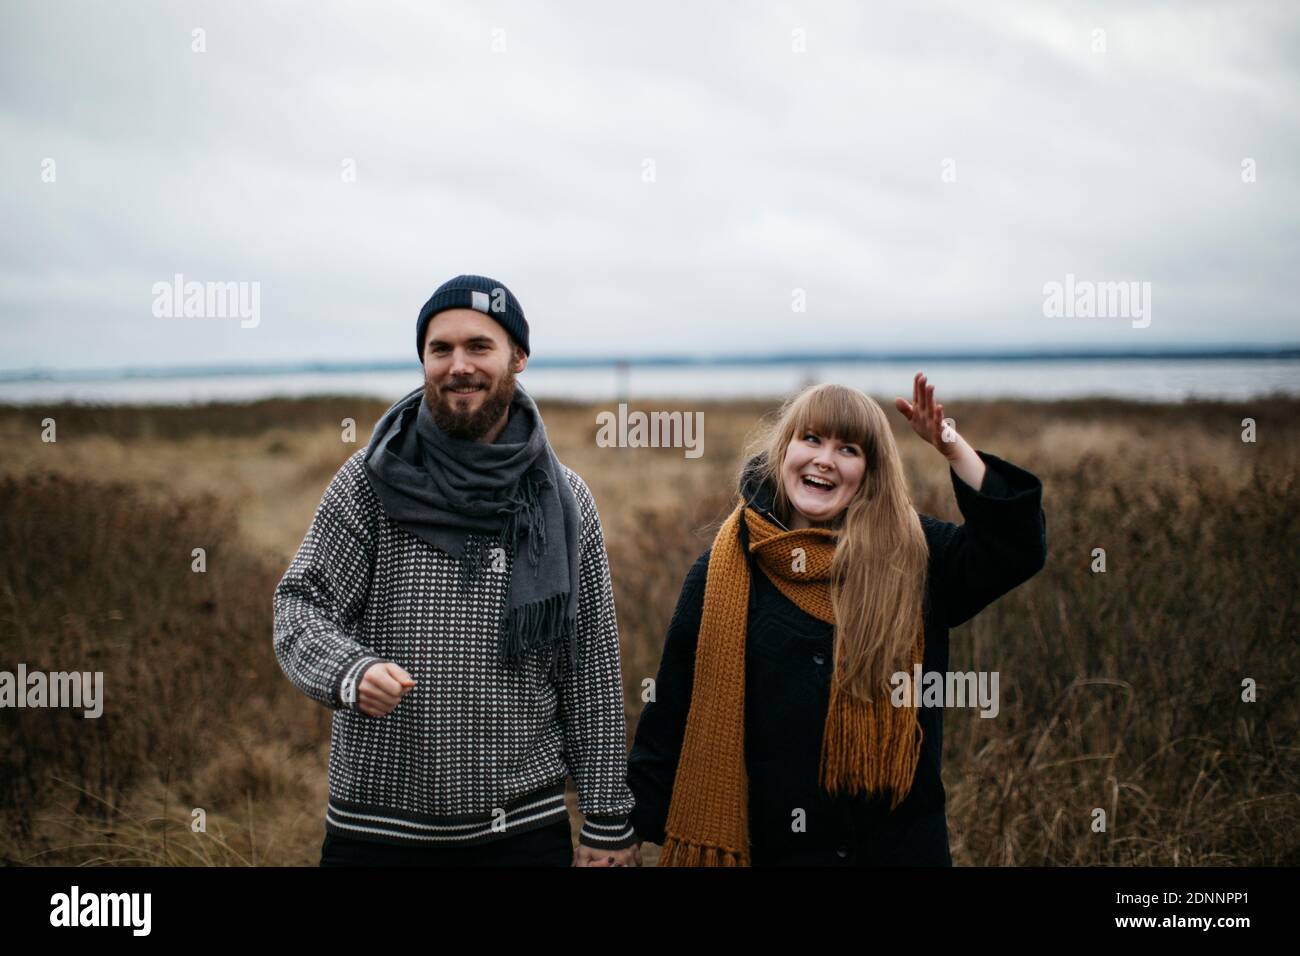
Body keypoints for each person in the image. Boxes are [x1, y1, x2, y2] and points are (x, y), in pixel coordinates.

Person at [273, 274, 638, 866]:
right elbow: (300, 605)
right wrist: (349, 670)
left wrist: (607, 819)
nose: (458, 365)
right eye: (440, 348)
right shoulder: (367, 482)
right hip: (376, 831)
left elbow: (588, 667)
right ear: (423, 359)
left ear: (518, 357)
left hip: (522, 830)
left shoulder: (564, 500)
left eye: (479, 347)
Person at [626, 374, 1047, 865]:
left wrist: (952, 448)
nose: (825, 459)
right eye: (811, 439)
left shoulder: (917, 558)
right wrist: (620, 833)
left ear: (869, 472)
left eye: (848, 448)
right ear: (783, 452)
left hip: (896, 853)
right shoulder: (724, 570)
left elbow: (1017, 548)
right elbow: (671, 714)